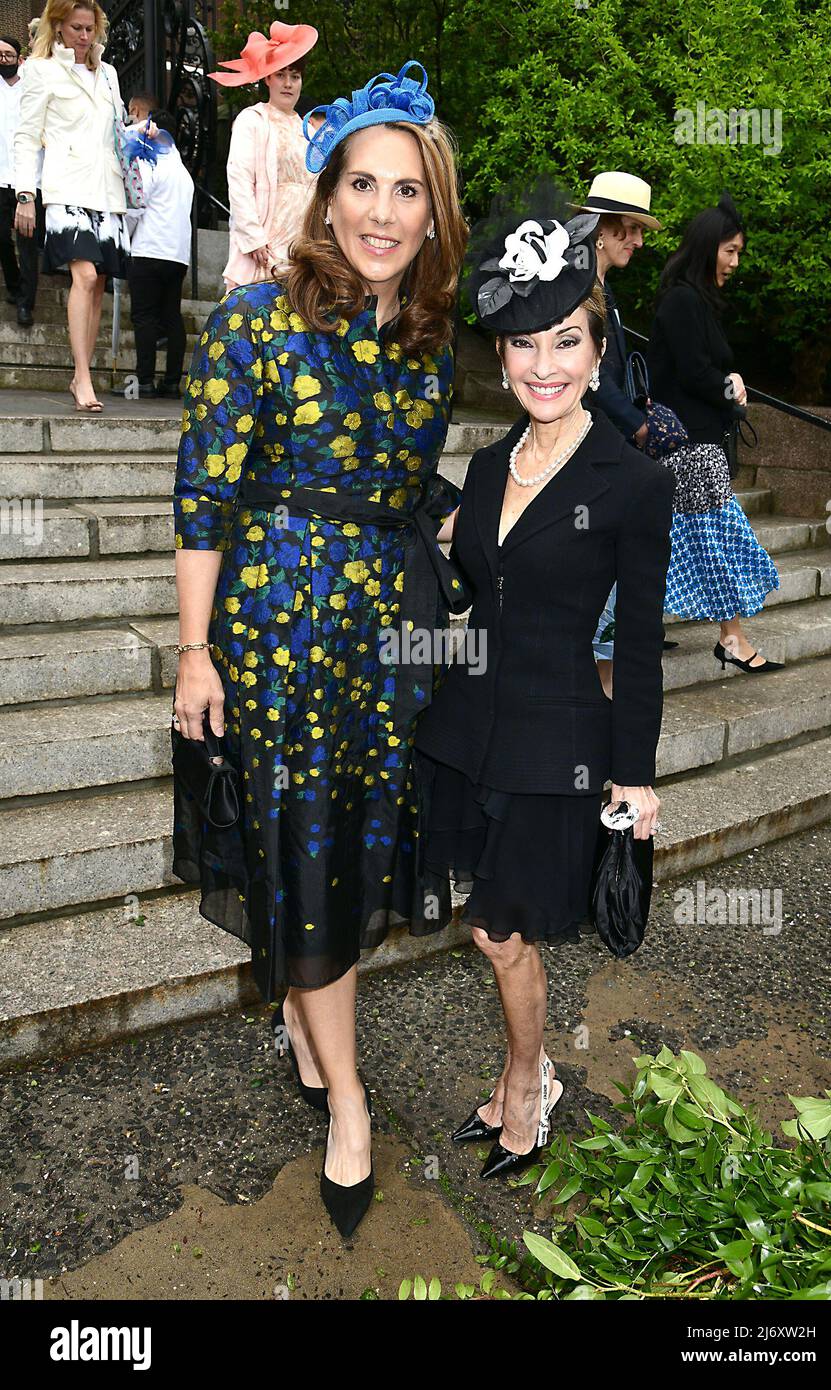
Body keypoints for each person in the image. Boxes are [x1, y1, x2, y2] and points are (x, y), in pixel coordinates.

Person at [170, 60, 468, 1238]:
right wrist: (195, 653)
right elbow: (203, 492)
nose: (383, 213)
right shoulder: (255, 321)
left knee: (348, 845)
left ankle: (305, 1016)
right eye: (362, 186)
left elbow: (410, 489)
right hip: (277, 629)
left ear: (432, 210)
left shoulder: (436, 349)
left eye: (407, 192)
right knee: (309, 853)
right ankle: (348, 1100)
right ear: (326, 194)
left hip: (390, 638)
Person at [411, 177, 675, 1180]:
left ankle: (528, 1083)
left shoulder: (632, 482)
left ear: (597, 350)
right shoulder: (481, 469)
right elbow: (478, 590)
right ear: (501, 355)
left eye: (565, 339)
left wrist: (634, 773)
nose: (543, 363)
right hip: (470, 722)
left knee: (495, 929)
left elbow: (640, 641)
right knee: (488, 928)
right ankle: (528, 1072)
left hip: (556, 742)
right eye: (523, 343)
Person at [647, 193, 783, 672]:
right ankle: (733, 639)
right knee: (718, 540)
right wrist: (731, 394)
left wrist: (732, 382)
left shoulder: (694, 302)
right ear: (709, 247)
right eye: (731, 250)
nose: (735, 261)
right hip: (688, 447)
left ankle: (642, 626)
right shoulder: (683, 301)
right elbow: (692, 374)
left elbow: (704, 369)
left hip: (693, 444)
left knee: (679, 539)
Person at [575, 171, 665, 695]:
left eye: (639, 231)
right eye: (629, 229)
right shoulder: (580, 284)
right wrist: (638, 426)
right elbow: (589, 379)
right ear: (602, 228)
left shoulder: (597, 285)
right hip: (591, 448)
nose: (636, 240)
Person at [13, 0, 128, 412]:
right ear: (58, 27)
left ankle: (83, 372)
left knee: (98, 284)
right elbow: (26, 136)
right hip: (66, 188)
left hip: (109, 191)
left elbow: (117, 131)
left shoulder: (110, 74)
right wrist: (26, 194)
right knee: (83, 276)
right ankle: (82, 377)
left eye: (90, 28)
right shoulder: (41, 71)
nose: (85, 36)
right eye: (77, 28)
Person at [209, 21, 318, 291]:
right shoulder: (253, 120)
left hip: (302, 243)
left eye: (295, 76)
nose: (288, 83)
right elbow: (239, 179)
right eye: (281, 75)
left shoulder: (310, 130)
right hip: (266, 243)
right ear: (267, 78)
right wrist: (253, 237)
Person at [114, 105, 194, 399]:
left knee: (145, 316)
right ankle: (172, 381)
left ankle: (144, 380)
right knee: (172, 316)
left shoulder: (150, 163)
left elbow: (137, 203)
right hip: (177, 254)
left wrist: (126, 238)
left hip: (149, 248)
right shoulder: (183, 172)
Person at [0, 34, 44, 326]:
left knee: (29, 245)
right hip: (0, 178)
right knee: (2, 238)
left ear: (19, 57)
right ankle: (15, 287)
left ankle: (27, 303)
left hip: (30, 179)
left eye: (7, 54)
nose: (3, 59)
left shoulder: (32, 84)